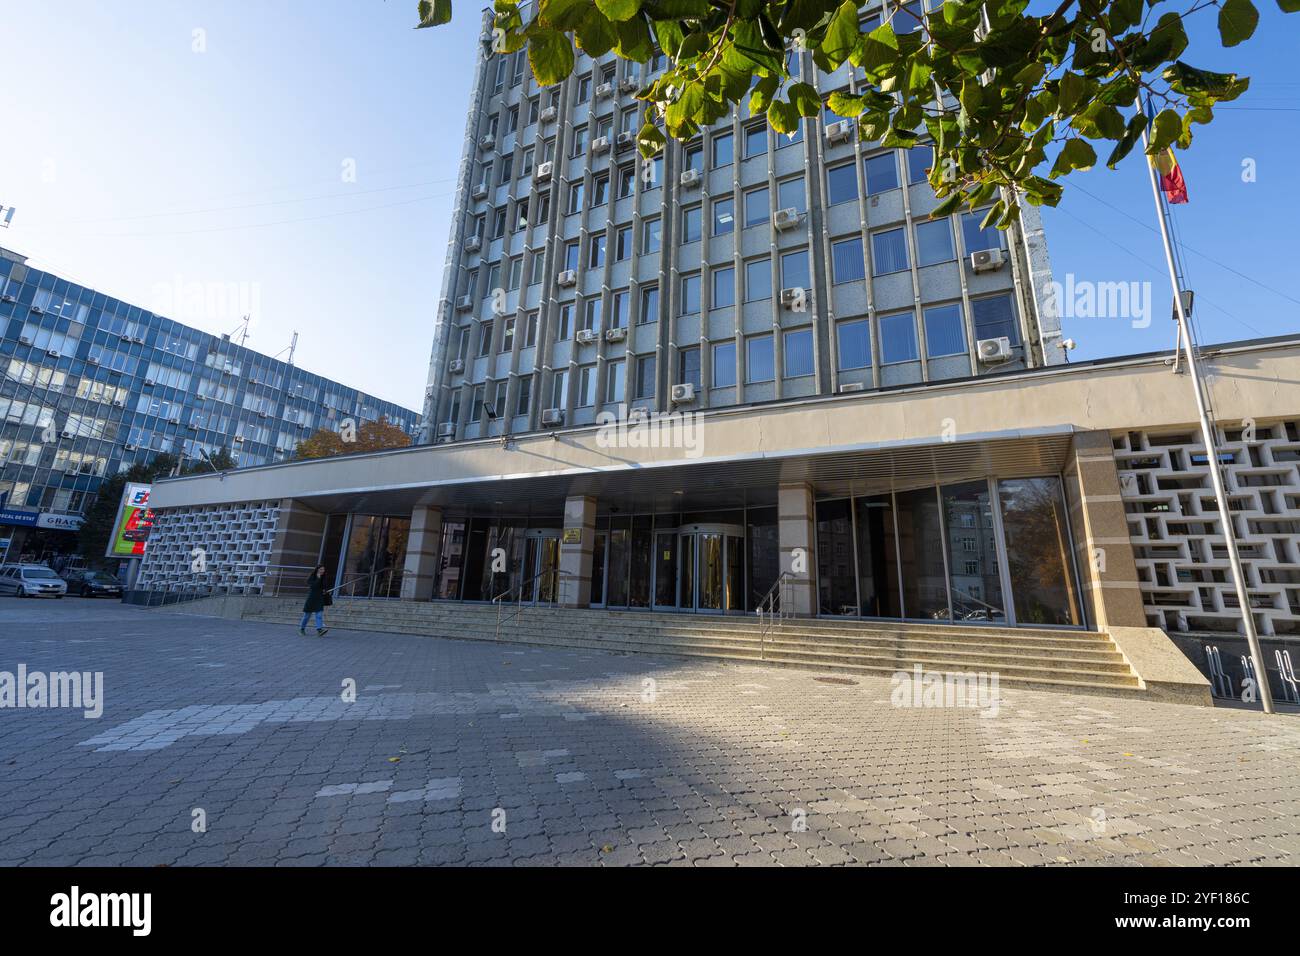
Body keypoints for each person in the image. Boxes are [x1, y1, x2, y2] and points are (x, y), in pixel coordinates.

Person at [299, 565, 332, 636]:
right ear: (317, 570)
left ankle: (319, 630)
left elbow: (325, 587)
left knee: (319, 615)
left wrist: (326, 591)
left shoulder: (324, 577)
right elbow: (313, 586)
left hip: (319, 598)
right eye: (321, 569)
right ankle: (302, 629)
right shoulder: (313, 577)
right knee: (307, 616)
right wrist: (318, 578)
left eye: (323, 569)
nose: (322, 571)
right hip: (311, 598)